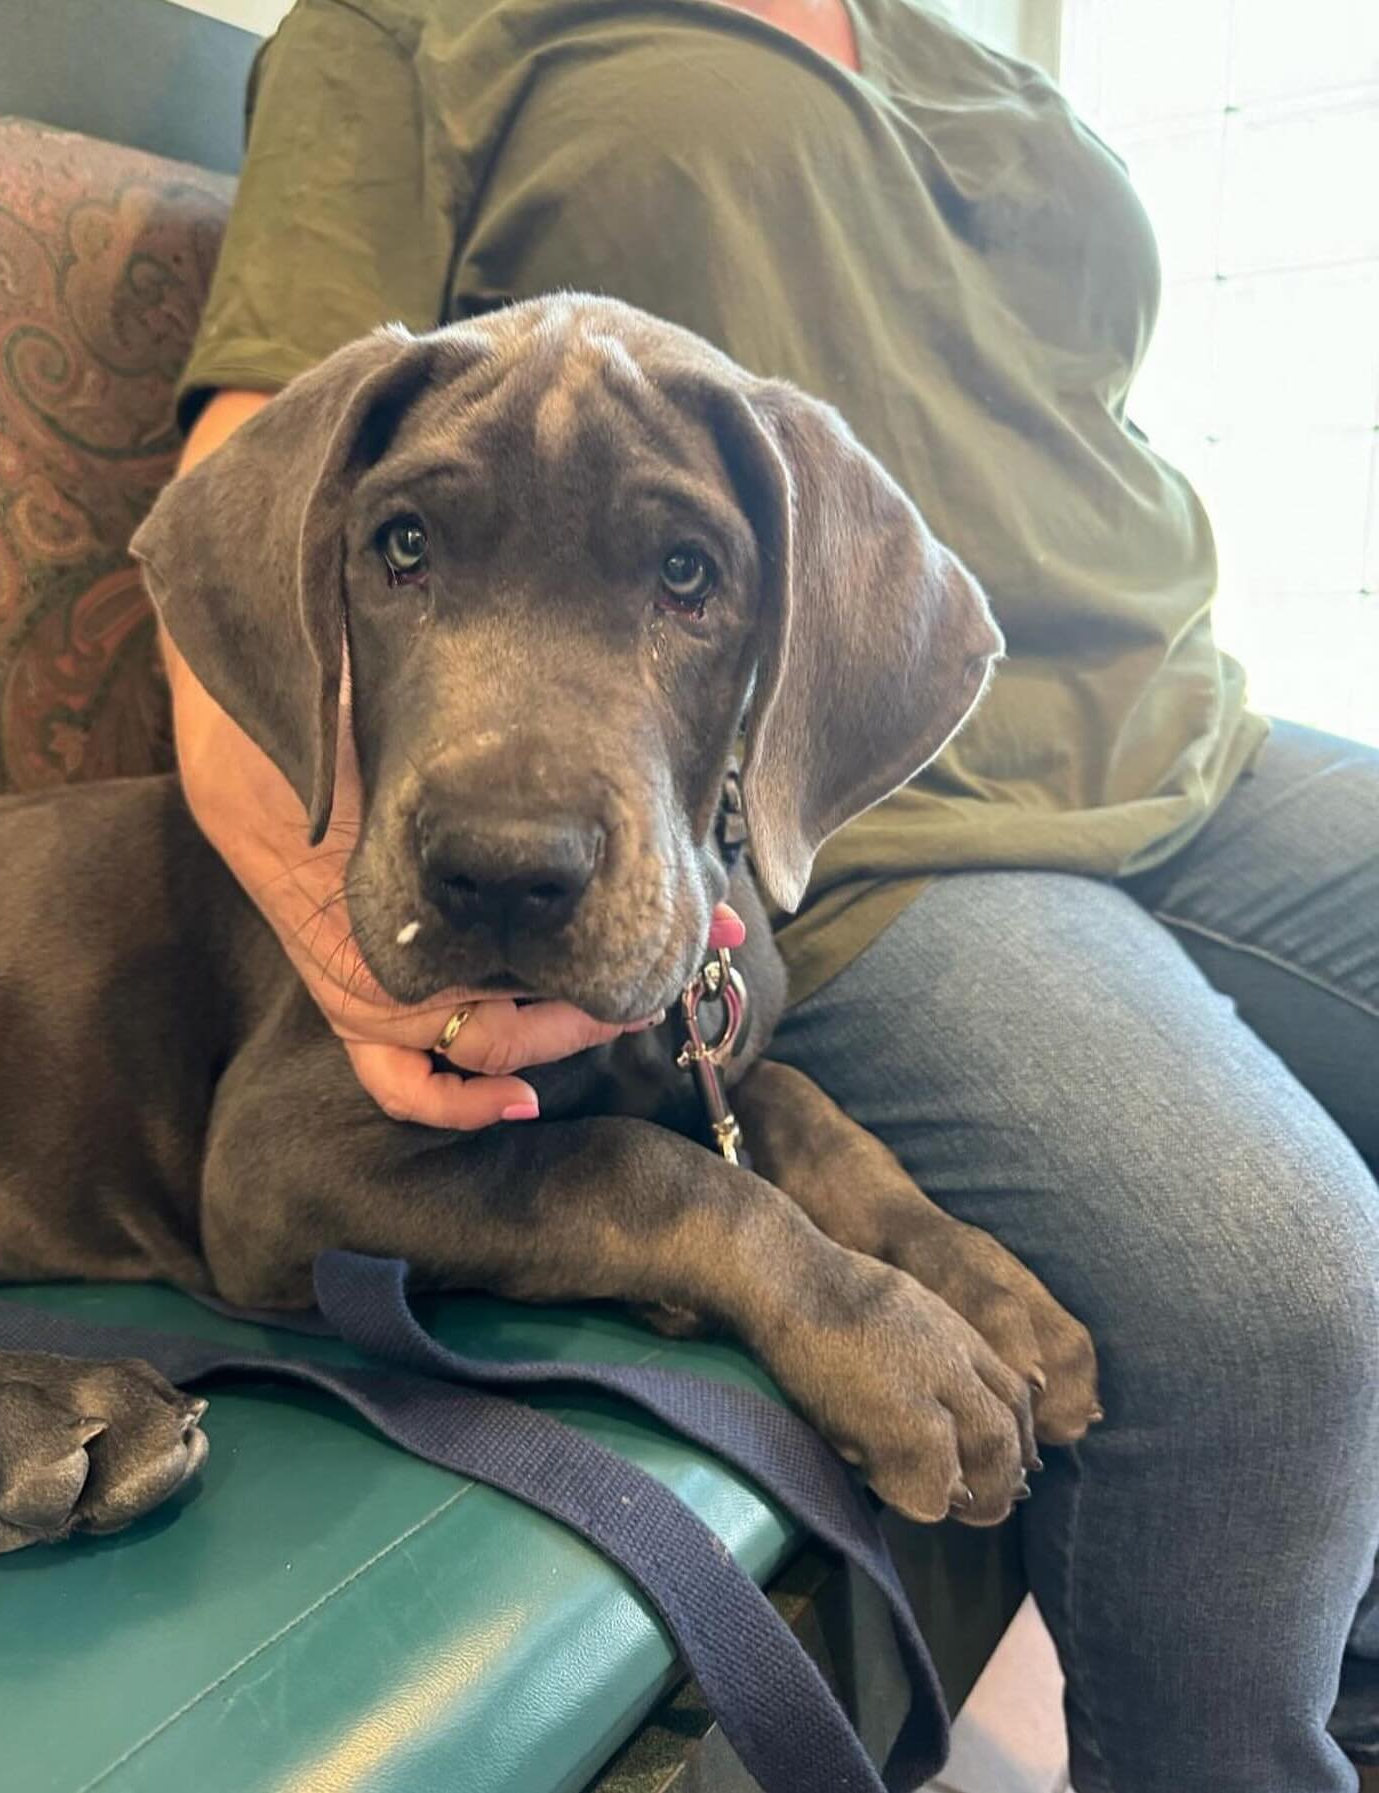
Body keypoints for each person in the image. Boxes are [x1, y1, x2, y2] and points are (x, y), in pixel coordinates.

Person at [161, 2, 1379, 1787]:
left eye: (680, 569)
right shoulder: (427, 25)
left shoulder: (978, 69)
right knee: (1285, 1303)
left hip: (1191, 726)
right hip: (887, 821)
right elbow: (248, 489)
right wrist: (346, 906)